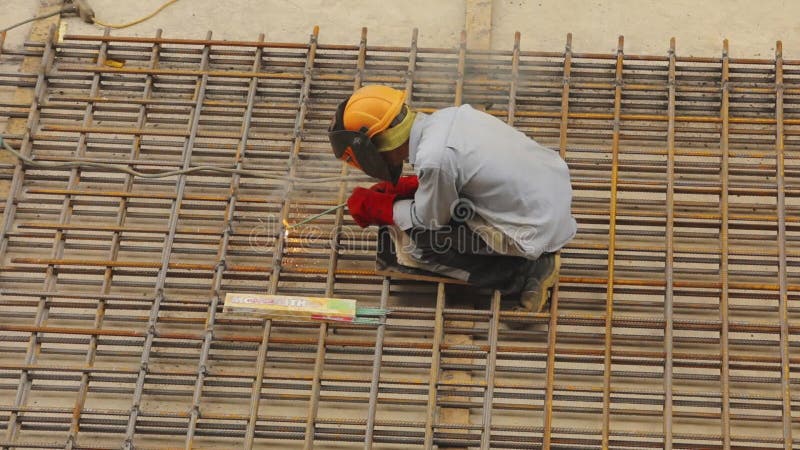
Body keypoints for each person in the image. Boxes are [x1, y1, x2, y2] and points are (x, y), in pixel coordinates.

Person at [328, 85, 576, 313]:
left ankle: (522, 273)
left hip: (535, 227)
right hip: (550, 194)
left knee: (422, 243)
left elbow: (429, 219)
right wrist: (411, 187)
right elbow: (473, 170)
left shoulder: (435, 159)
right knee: (441, 215)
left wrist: (378, 207)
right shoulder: (451, 116)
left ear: (375, 145)